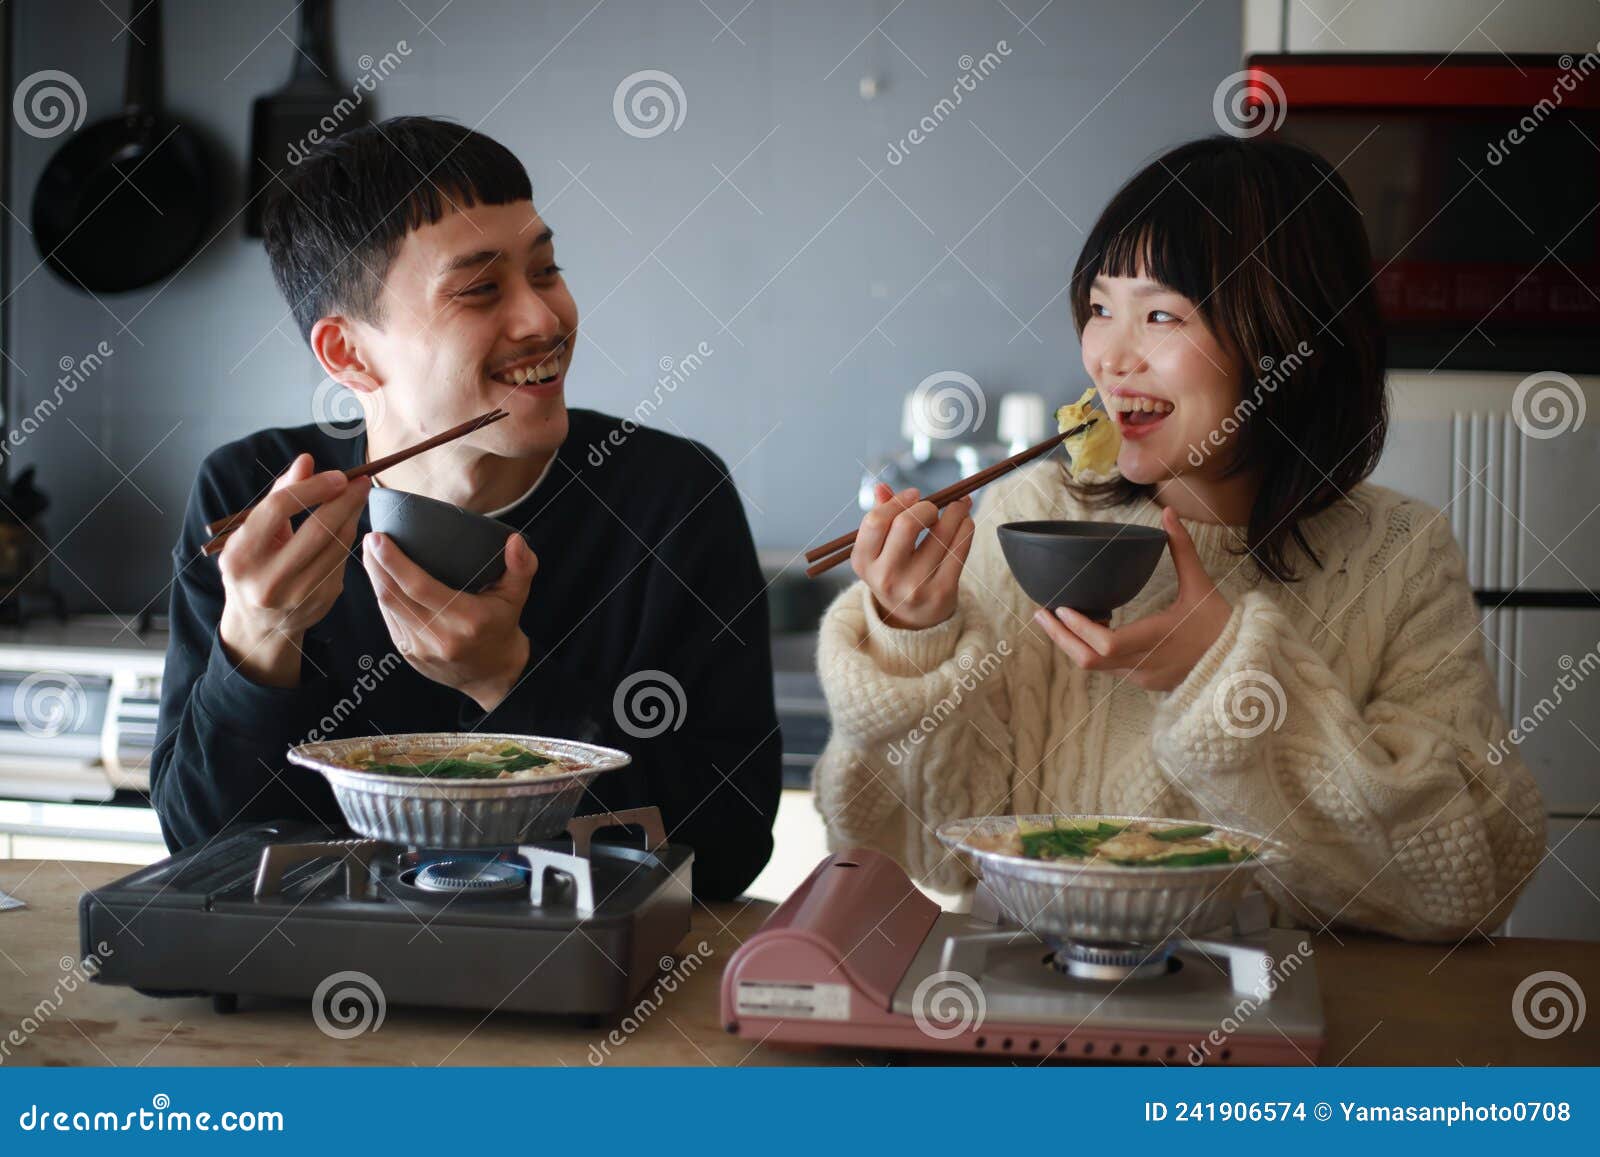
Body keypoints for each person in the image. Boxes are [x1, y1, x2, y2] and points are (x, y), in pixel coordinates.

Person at [813, 135, 1546, 940]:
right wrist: (914, 639)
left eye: (1160, 315)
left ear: (1286, 341)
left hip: (1277, 1040)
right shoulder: (1035, 515)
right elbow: (914, 852)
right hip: (1032, 1022)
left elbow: (1467, 881)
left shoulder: (1400, 553)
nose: (1110, 358)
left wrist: (1224, 672)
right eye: (1099, 309)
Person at [151, 117, 780, 900]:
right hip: (303, 1003)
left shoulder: (669, 496)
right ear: (349, 354)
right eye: (482, 289)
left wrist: (512, 683)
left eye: (545, 270)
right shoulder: (251, 499)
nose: (544, 320)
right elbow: (208, 861)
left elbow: (725, 851)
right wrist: (260, 640)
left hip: (590, 998)